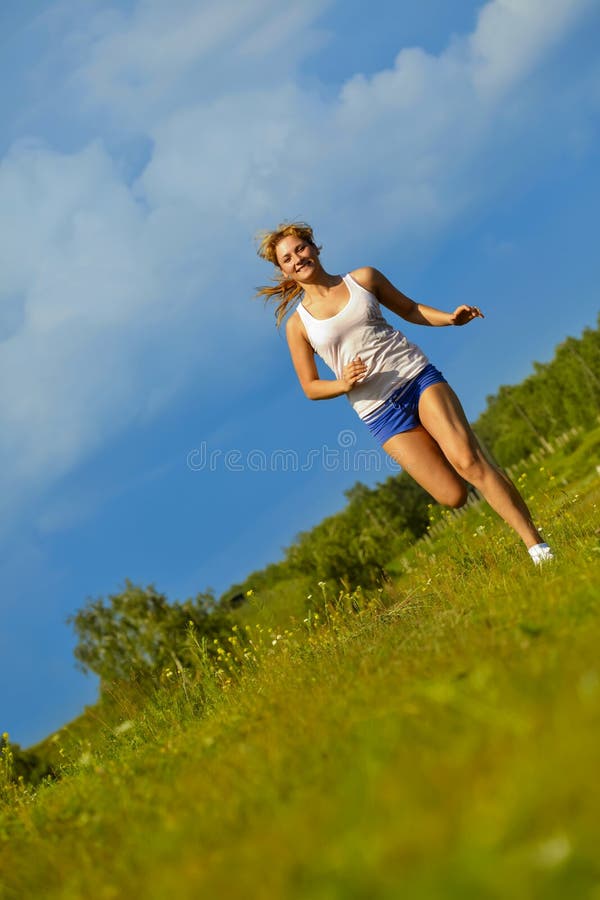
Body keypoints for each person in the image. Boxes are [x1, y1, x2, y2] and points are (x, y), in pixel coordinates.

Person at [256, 221, 554, 566]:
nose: (297, 259)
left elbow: (411, 310)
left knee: (468, 462)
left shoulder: (363, 279)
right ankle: (485, 474)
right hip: (380, 412)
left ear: (314, 247)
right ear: (284, 272)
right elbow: (310, 387)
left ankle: (538, 549)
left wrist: (450, 319)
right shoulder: (298, 325)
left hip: (414, 377)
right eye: (287, 258)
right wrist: (343, 384)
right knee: (452, 495)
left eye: (300, 249)